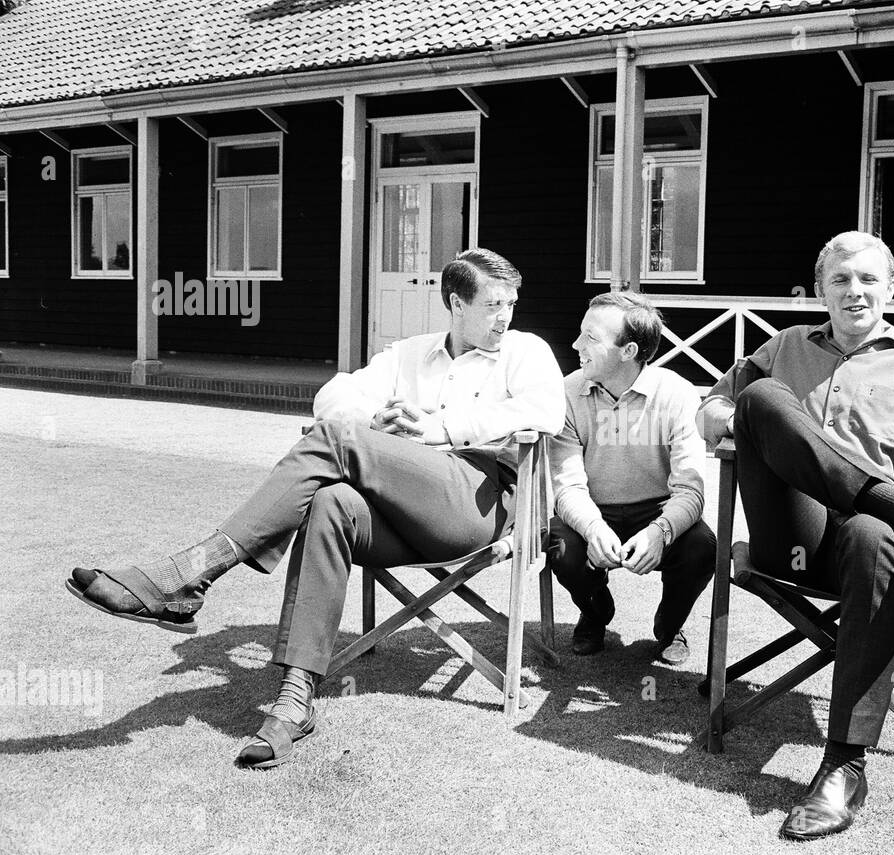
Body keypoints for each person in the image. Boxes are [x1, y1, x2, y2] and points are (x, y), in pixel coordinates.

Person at [65, 248, 565, 768]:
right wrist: (379, 419)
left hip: (474, 502)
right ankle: (294, 699)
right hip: (397, 511)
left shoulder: (526, 352)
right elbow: (332, 396)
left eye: (511, 303)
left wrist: (439, 427)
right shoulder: (411, 354)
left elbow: (544, 410)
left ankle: (187, 574)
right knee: (329, 501)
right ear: (456, 303)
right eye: (492, 304)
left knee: (336, 440)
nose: (505, 316)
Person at [696, 231, 894, 841]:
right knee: (760, 397)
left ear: (890, 289)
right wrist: (742, 420)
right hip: (794, 536)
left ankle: (844, 765)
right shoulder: (782, 347)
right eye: (840, 280)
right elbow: (712, 409)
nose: (854, 292)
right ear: (820, 291)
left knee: (871, 536)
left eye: (867, 280)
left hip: (871, 552)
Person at [547, 292, 715, 664]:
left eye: (590, 338)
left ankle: (670, 627)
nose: (576, 345)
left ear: (628, 351)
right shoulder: (565, 393)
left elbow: (691, 489)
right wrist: (592, 528)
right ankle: (594, 614)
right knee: (560, 546)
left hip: (655, 508)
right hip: (592, 508)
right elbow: (567, 485)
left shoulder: (678, 394)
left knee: (702, 546)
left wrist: (661, 531)